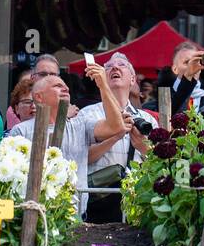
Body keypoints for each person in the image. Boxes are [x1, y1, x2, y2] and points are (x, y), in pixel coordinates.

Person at [7, 72, 132, 217]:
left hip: (76, 217)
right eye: (57, 86)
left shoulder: (80, 124)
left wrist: (103, 86)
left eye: (66, 87)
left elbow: (116, 127)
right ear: (39, 97)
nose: (65, 89)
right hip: (34, 216)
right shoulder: (20, 131)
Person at [82, 55, 156, 223]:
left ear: (133, 80)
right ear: (102, 78)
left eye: (121, 65)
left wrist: (143, 147)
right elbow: (83, 157)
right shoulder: (88, 114)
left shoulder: (148, 120)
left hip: (137, 203)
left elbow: (159, 165)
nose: (115, 68)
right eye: (108, 67)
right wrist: (116, 135)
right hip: (98, 202)